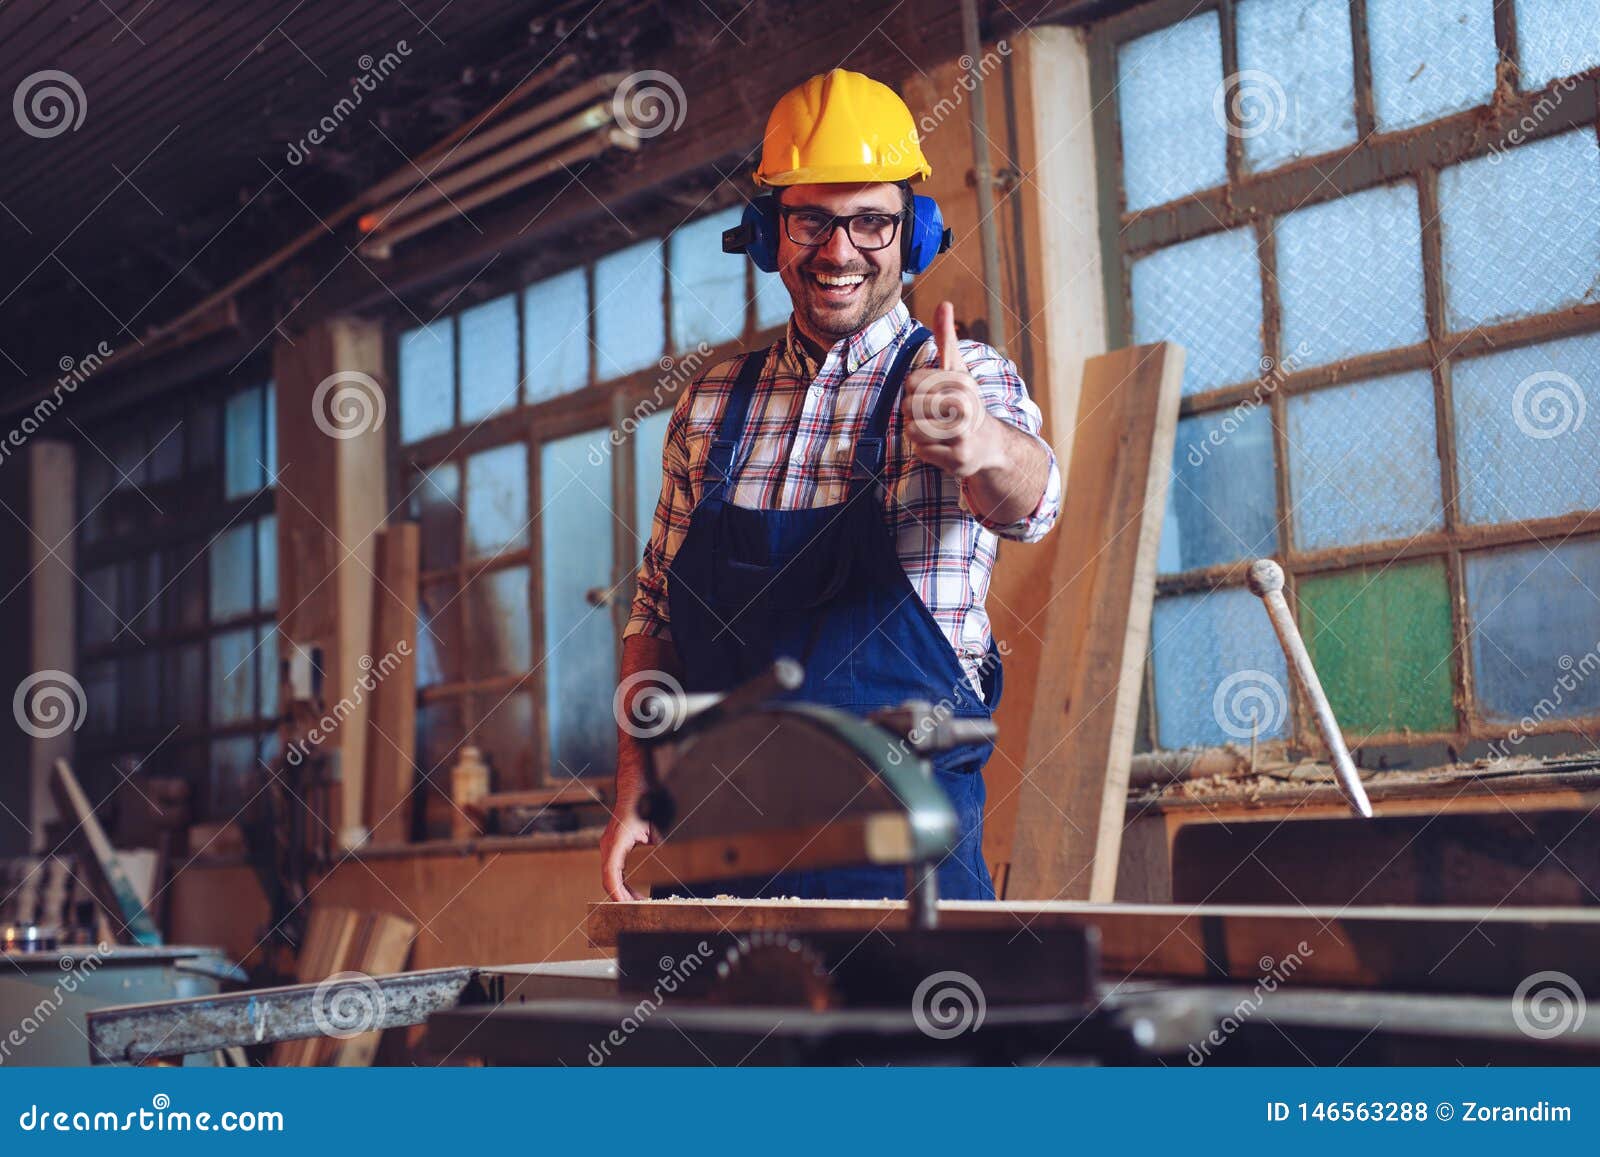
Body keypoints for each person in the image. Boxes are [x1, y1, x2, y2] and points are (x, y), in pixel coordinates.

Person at [602, 68, 1060, 903]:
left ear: (914, 234)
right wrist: (636, 776)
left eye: (872, 221)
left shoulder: (962, 378)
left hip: (906, 870)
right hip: (723, 863)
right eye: (811, 218)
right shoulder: (709, 405)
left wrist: (980, 443)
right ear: (768, 232)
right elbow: (654, 615)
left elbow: (1033, 504)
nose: (840, 250)